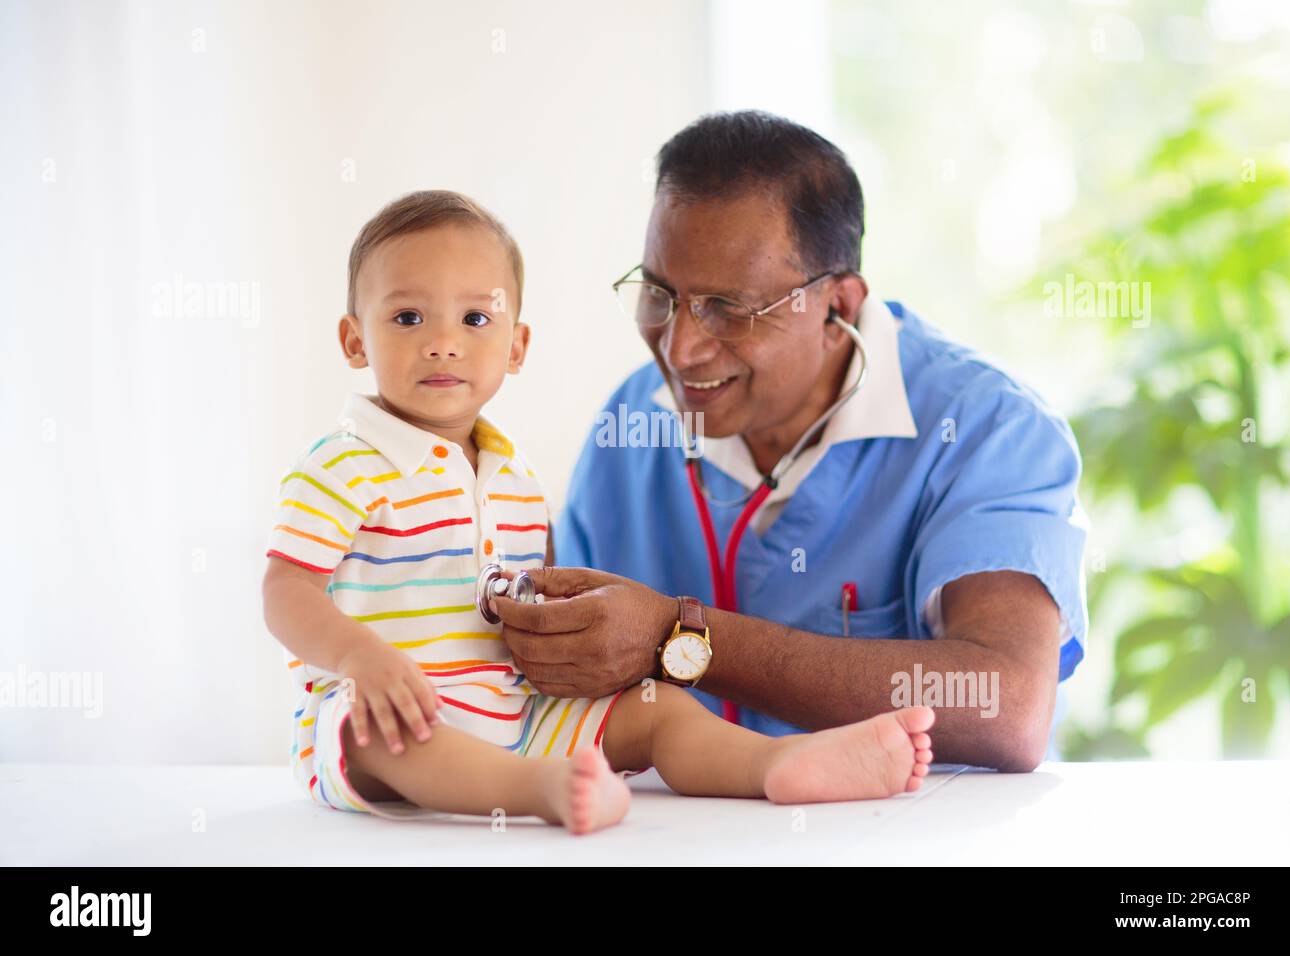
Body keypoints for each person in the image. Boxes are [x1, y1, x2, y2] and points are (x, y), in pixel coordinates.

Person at [260, 189, 936, 835]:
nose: (443, 343)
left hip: (515, 709)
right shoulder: (341, 464)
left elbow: (534, 591)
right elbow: (285, 589)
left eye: (475, 319)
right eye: (408, 318)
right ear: (354, 341)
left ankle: (777, 763)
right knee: (383, 735)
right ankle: (536, 791)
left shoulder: (516, 479)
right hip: (387, 711)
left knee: (659, 707)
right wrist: (360, 660)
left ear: (516, 347)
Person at [495, 112, 1089, 771]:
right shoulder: (633, 419)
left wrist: (680, 638)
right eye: (660, 294)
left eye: (728, 308)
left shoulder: (987, 430)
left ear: (836, 308)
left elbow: (1006, 707)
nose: (680, 349)